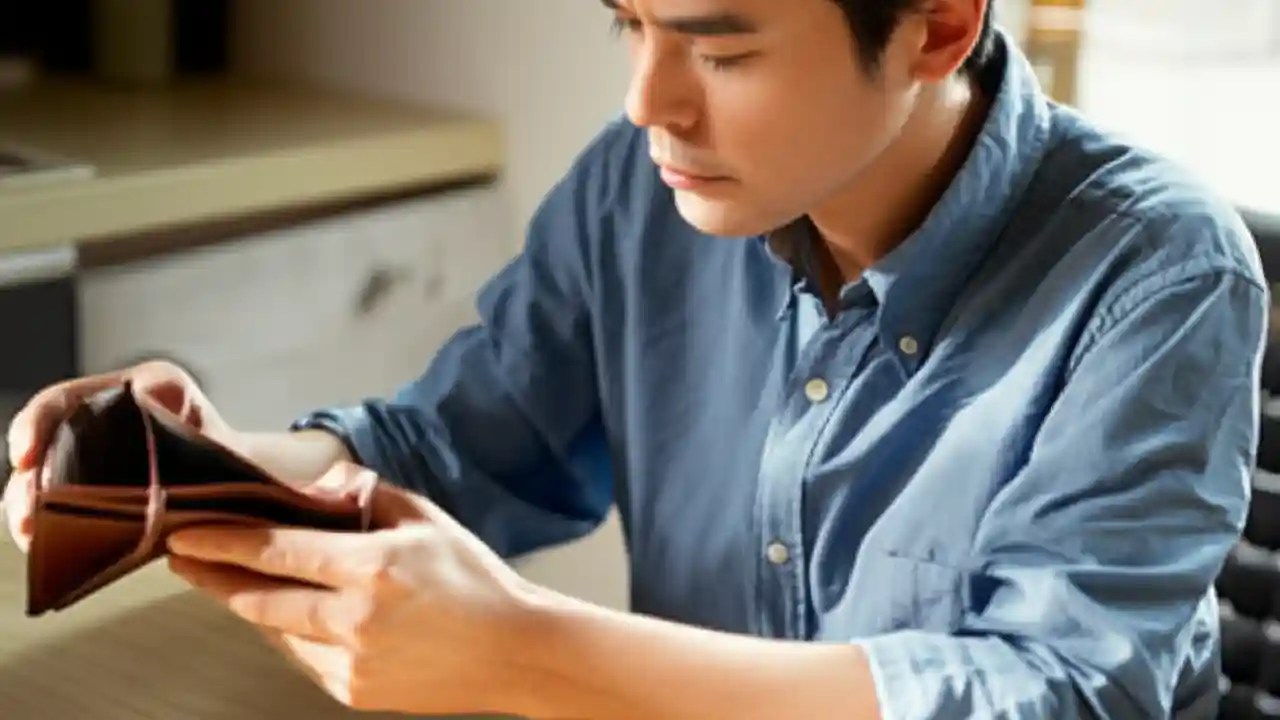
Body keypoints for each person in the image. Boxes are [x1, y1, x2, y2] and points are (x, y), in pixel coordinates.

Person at [3, 0, 1267, 717]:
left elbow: (1058, 695)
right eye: (627, 22)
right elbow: (454, 445)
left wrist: (527, 649)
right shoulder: (641, 191)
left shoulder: (1157, 273)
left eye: (717, 50)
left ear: (936, 23)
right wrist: (216, 463)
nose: (647, 101)